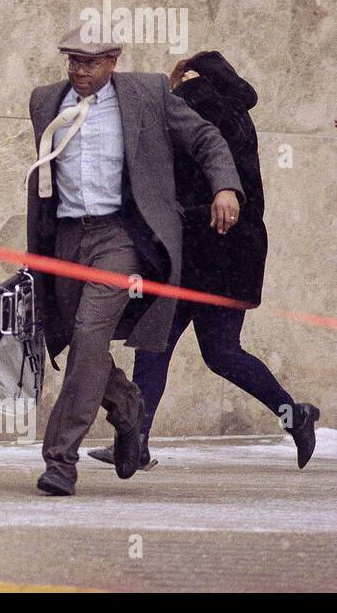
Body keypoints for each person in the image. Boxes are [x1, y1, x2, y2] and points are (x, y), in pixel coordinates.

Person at [26, 29, 243, 497]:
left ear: (113, 61)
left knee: (88, 332)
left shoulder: (146, 93)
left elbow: (206, 137)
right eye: (73, 62)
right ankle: (129, 409)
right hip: (64, 238)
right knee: (74, 342)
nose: (81, 72)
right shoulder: (45, 101)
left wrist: (225, 186)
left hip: (118, 237)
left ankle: (60, 460)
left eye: (92, 63)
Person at [88, 51, 320, 470]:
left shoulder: (197, 104)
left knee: (159, 344)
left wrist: (173, 91)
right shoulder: (237, 113)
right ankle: (293, 414)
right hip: (236, 254)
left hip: (200, 249)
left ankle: (138, 441)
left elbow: (173, 164)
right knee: (219, 351)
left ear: (192, 78)